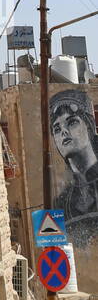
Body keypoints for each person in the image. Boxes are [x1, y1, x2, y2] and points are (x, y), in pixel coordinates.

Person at [50, 90, 98, 243]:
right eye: (56, 129)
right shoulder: (61, 203)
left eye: (71, 122)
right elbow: (56, 243)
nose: (63, 131)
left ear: (89, 127)